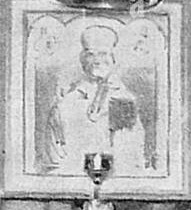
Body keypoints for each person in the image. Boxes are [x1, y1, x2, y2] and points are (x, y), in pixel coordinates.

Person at [42, 23, 148, 174]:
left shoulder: (123, 99)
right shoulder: (65, 103)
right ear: (82, 59)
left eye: (103, 54)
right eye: (91, 54)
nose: (97, 60)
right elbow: (54, 157)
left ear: (113, 58)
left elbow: (132, 157)